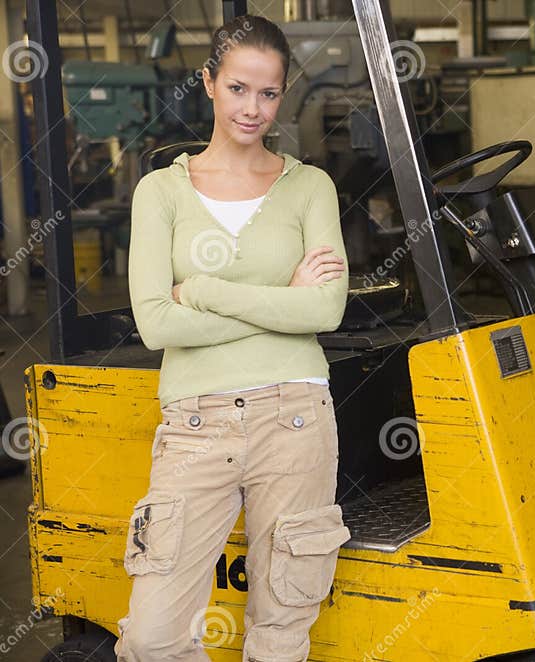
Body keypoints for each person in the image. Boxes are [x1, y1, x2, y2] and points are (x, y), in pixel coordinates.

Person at [116, 14, 350, 661]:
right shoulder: (160, 191)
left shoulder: (309, 187)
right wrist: (285, 302)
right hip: (196, 425)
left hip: (296, 417)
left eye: (269, 93)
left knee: (281, 631)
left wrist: (209, 293)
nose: (254, 108)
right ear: (209, 83)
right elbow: (156, 323)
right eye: (240, 88)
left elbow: (326, 310)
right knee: (153, 637)